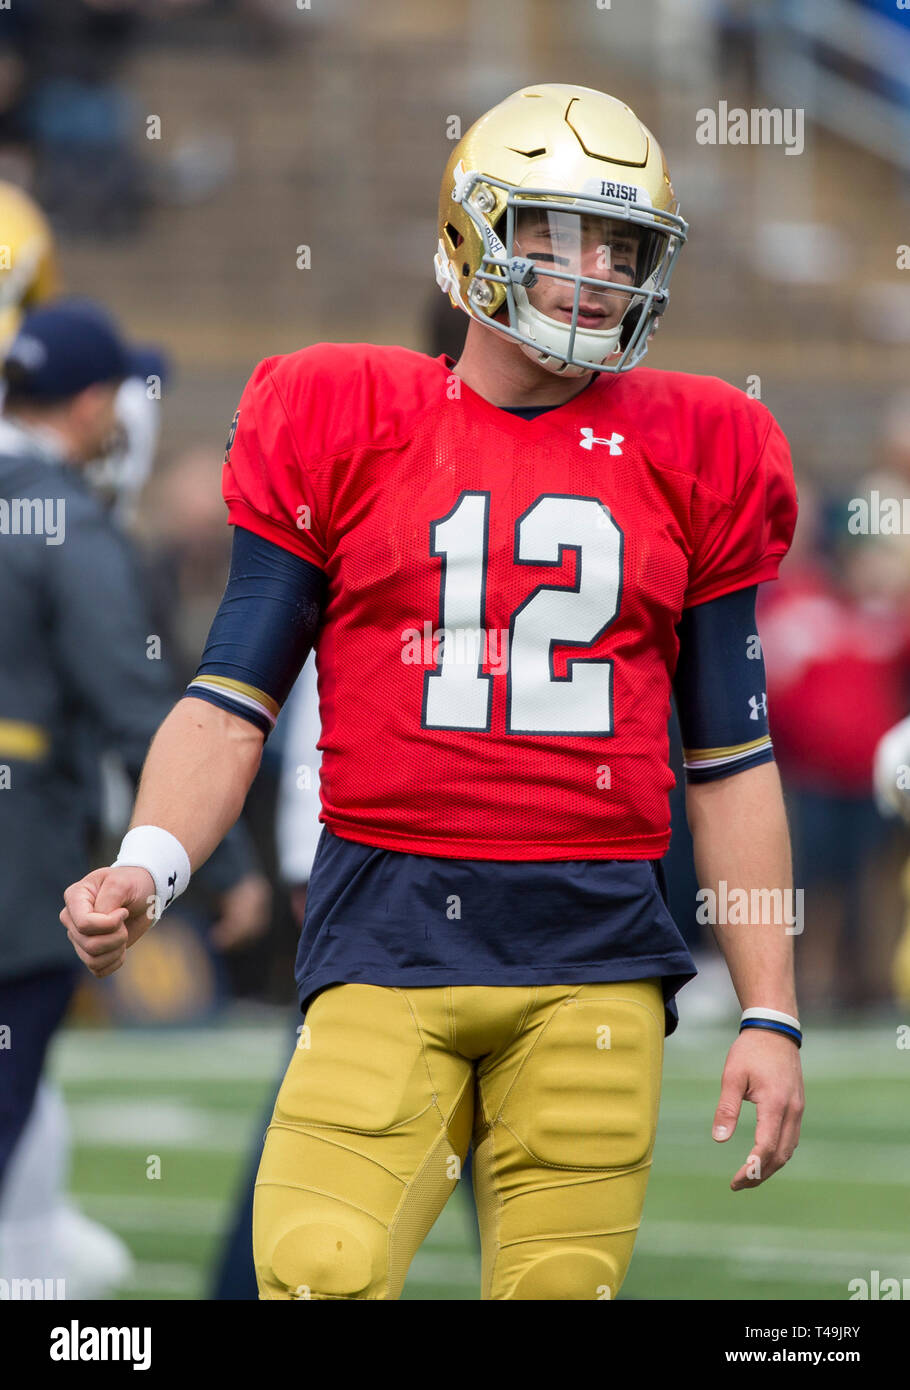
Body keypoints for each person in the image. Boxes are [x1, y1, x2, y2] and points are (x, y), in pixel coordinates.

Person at [62, 83, 804, 1301]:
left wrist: (769, 1013)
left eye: (623, 247)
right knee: (315, 1277)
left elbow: (729, 756)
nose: (598, 274)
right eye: (563, 238)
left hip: (596, 950)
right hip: (384, 928)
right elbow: (233, 690)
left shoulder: (701, 446)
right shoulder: (345, 411)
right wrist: (151, 861)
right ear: (476, 234)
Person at [0, 298, 266, 1283]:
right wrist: (223, 860)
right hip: (15, 868)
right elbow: (139, 705)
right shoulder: (66, 522)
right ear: (92, 400)